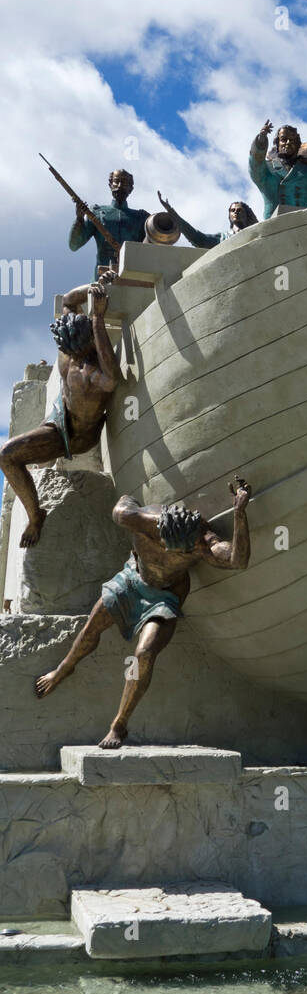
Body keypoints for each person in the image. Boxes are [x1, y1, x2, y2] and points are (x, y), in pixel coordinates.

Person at [34, 479, 251, 749]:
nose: (192, 552)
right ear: (159, 535)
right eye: (184, 549)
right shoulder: (139, 519)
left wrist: (239, 512)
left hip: (165, 597)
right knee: (92, 626)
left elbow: (238, 560)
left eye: (191, 549)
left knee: (144, 654)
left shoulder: (203, 540)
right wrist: (128, 505)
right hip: (132, 579)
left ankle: (119, 724)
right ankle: (63, 668)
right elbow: (124, 502)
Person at [0, 274, 121, 547]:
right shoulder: (87, 366)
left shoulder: (86, 369)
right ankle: (36, 514)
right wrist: (97, 314)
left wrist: (94, 290)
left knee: (7, 456)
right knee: (8, 455)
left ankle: (35, 517)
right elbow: (112, 376)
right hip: (59, 419)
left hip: (74, 437)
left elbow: (68, 300)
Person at [69, 169, 150, 278]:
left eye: (125, 183)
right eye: (116, 181)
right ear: (110, 185)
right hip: (102, 279)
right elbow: (74, 245)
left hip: (132, 279)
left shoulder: (141, 218)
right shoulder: (97, 213)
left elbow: (153, 250)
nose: (120, 186)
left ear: (131, 189)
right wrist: (79, 219)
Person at [249, 120, 307, 217]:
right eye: (283, 139)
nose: (288, 143)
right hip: (276, 225)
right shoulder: (267, 169)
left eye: (292, 140)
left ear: (298, 145)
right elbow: (255, 163)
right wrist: (261, 140)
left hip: (306, 223)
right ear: (277, 144)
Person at [155, 194, 257, 248]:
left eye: (239, 210)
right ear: (229, 215)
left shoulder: (255, 232)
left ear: (246, 214)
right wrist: (172, 213)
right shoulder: (222, 238)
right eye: (232, 210)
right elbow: (197, 237)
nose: (236, 212)